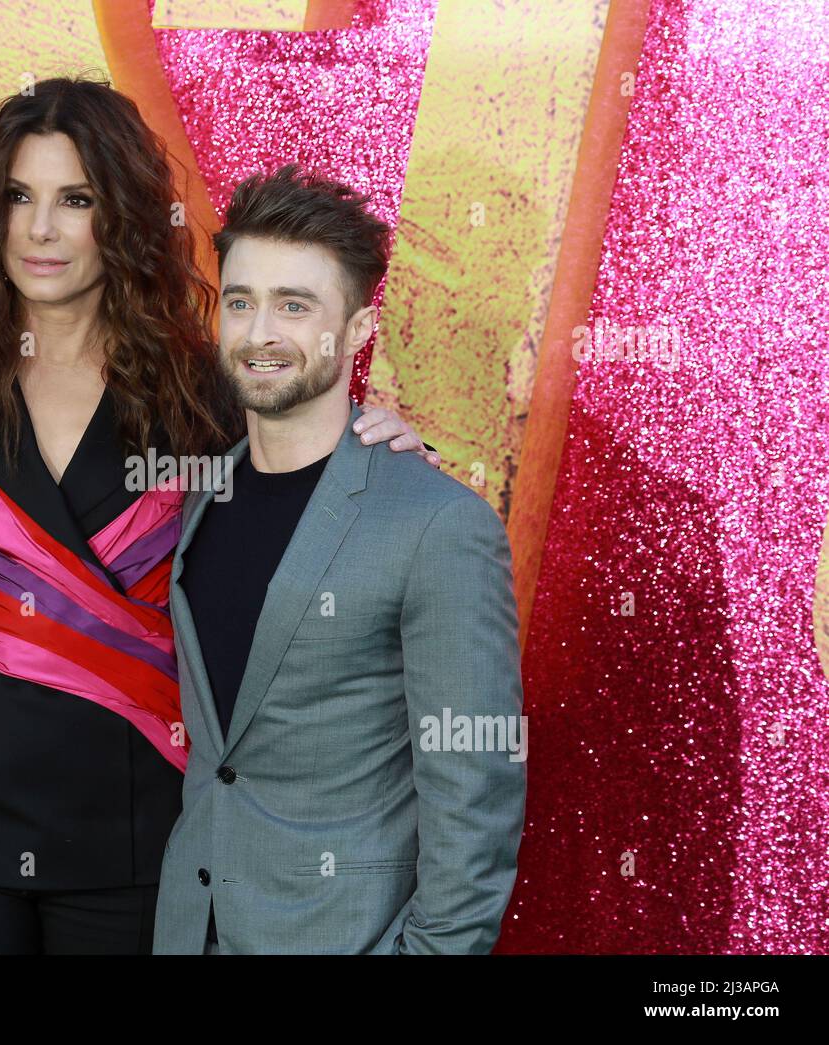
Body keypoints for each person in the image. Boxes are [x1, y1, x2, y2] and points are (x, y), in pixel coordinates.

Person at [0, 78, 435, 954]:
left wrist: (376, 452)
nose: (41, 230)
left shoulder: (201, 394)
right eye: (19, 197)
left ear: (125, 216)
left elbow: (295, 559)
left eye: (76, 200)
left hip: (142, 833)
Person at [153, 165, 526, 954]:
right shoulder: (194, 498)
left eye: (296, 306)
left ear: (358, 331)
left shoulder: (437, 526)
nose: (261, 333)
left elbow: (476, 795)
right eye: (244, 301)